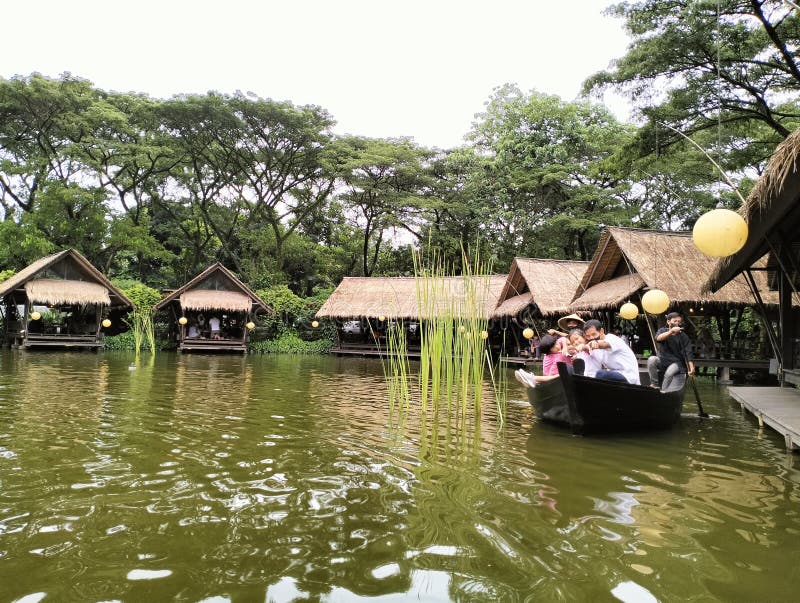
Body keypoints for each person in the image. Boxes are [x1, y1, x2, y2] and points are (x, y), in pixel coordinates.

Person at [582, 319, 641, 384]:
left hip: (628, 377)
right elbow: (586, 348)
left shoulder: (612, 338)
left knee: (601, 374)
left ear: (601, 331)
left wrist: (596, 343)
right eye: (588, 336)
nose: (591, 338)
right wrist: (581, 347)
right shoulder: (593, 347)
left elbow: (604, 344)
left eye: (594, 334)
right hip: (613, 378)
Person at [647, 311, 694, 391]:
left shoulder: (683, 336)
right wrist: (671, 332)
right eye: (675, 321)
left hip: (677, 363)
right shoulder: (662, 330)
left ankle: (663, 391)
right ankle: (654, 385)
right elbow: (658, 338)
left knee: (669, 373)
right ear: (668, 322)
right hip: (663, 360)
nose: (677, 323)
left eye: (679, 321)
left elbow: (688, 353)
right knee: (651, 359)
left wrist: (691, 368)